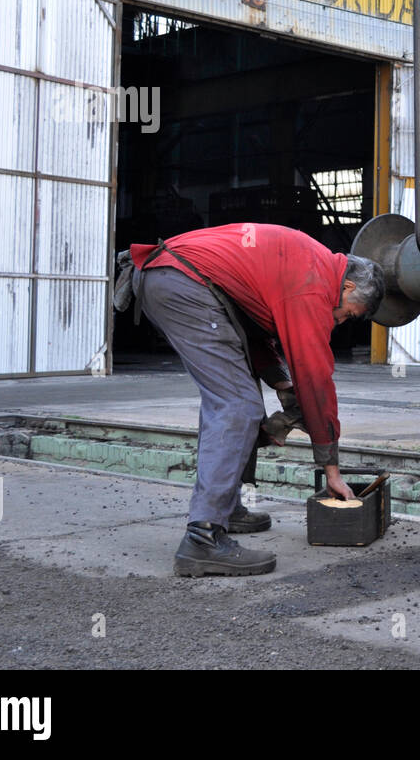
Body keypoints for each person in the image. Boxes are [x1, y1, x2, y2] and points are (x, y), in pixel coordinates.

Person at [120, 223, 384, 577]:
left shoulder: (307, 264)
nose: (339, 321)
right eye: (348, 313)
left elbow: (255, 333)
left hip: (177, 277)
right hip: (184, 282)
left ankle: (226, 509)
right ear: (348, 286)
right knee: (237, 405)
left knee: (242, 400)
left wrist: (285, 389)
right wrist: (330, 468)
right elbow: (315, 378)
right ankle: (203, 538)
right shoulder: (313, 283)